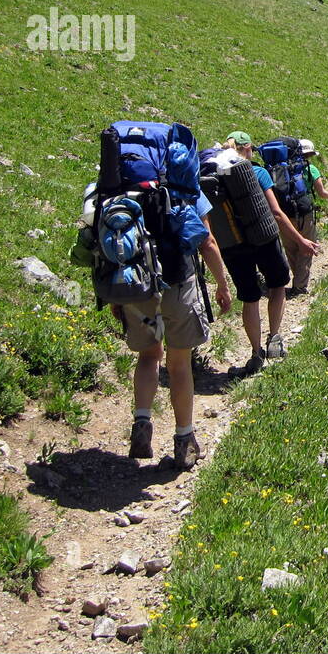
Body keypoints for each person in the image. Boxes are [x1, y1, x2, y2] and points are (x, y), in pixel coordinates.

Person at [117, 195, 232, 469]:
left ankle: (142, 424)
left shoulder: (125, 187)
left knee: (148, 355)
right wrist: (222, 283)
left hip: (137, 287)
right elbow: (207, 241)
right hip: (179, 284)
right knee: (179, 364)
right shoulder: (185, 185)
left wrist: (116, 298)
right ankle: (184, 442)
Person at [224, 131, 317, 373]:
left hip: (233, 245)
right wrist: (301, 240)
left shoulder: (218, 173)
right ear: (247, 149)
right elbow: (276, 213)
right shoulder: (259, 172)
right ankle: (274, 338)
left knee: (249, 298)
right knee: (277, 286)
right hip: (263, 239)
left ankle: (255, 353)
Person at [282, 138, 328, 297]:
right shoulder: (311, 169)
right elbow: (321, 193)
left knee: (291, 247)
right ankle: (300, 286)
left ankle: (297, 278)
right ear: (311, 154)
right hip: (305, 212)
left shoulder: (283, 169)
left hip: (285, 213)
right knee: (306, 248)